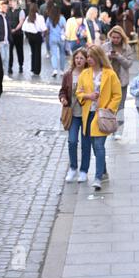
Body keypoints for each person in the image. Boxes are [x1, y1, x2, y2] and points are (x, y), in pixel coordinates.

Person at [76, 45, 121, 190]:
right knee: (95, 146)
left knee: (99, 145)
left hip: (102, 115)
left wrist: (109, 109)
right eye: (87, 56)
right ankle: (104, 171)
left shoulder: (110, 74)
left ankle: (97, 177)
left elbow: (117, 94)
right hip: (88, 114)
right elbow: (79, 92)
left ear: (99, 56)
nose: (89, 59)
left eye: (91, 56)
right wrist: (87, 96)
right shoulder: (85, 74)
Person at [59, 48, 90, 182]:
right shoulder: (68, 74)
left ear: (86, 60)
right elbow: (62, 91)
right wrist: (63, 98)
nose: (79, 60)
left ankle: (84, 170)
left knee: (86, 143)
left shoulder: (90, 74)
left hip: (87, 113)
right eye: (77, 58)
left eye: (81, 58)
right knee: (72, 141)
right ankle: (73, 168)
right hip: (72, 113)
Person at [101, 25, 134, 140]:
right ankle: (109, 127)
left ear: (122, 38)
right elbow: (99, 61)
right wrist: (108, 56)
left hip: (121, 82)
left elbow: (129, 64)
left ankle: (119, 131)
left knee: (120, 107)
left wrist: (119, 57)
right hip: (107, 81)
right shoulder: (105, 46)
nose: (115, 39)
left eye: (117, 38)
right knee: (108, 105)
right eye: (113, 37)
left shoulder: (127, 48)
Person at [22, 3, 47, 76]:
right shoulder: (40, 18)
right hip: (37, 35)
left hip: (30, 36)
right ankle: (37, 70)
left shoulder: (28, 18)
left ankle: (33, 68)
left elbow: (23, 28)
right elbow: (43, 28)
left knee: (33, 52)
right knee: (38, 53)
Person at [46, 5, 67, 77]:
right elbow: (65, 28)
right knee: (62, 54)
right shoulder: (62, 18)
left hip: (52, 38)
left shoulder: (49, 19)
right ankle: (62, 70)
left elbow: (47, 28)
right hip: (61, 38)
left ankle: (55, 69)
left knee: (54, 54)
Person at [6, 0, 25, 74]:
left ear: (16, 2)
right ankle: (10, 67)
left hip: (18, 34)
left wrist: (15, 29)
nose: (10, 3)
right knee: (10, 51)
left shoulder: (21, 11)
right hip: (9, 34)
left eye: (12, 2)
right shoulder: (8, 11)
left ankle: (21, 65)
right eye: (10, 2)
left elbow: (21, 22)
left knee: (19, 50)